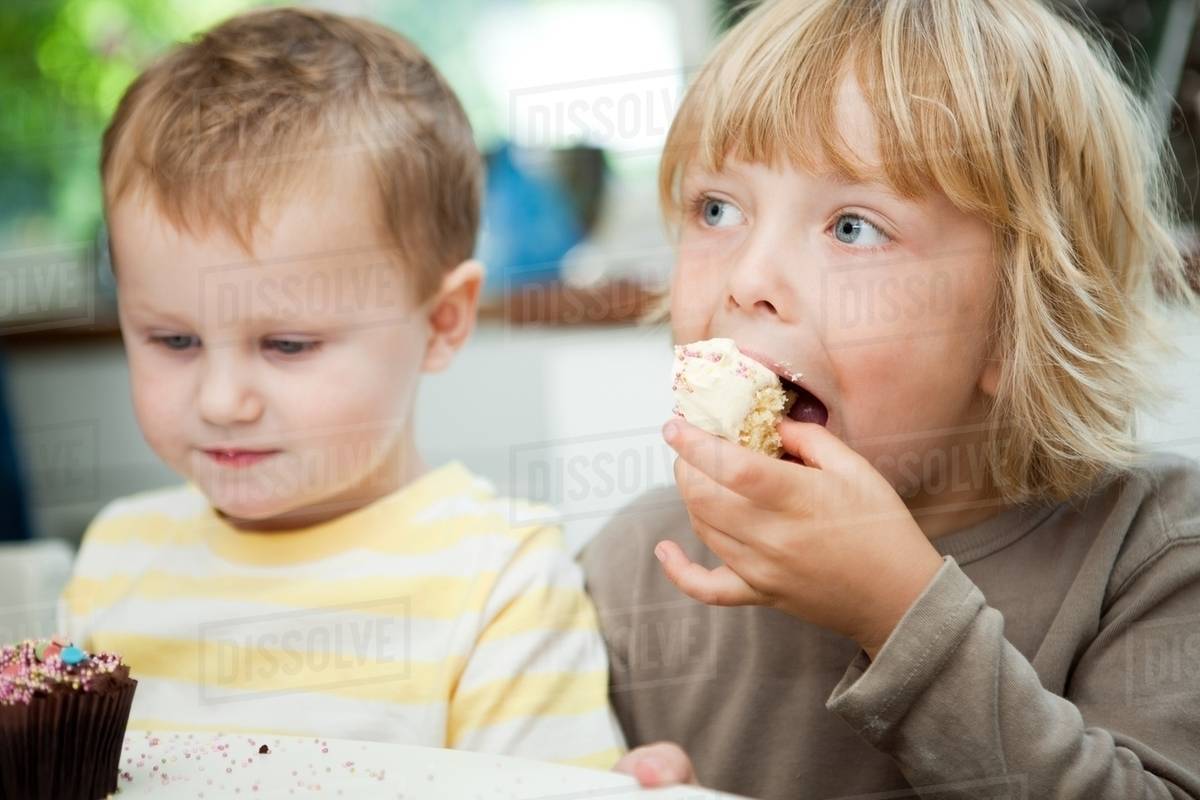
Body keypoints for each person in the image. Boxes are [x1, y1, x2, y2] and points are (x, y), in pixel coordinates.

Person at [588, 0, 1200, 796]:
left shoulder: (1152, 555)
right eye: (717, 210)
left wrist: (899, 612)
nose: (748, 281)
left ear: (1018, 322)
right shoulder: (633, 566)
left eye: (852, 228)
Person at [58, 7, 622, 768]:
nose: (222, 401)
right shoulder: (114, 559)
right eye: (173, 340)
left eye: (288, 344)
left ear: (444, 321)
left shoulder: (499, 579)